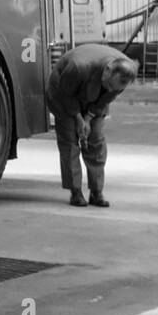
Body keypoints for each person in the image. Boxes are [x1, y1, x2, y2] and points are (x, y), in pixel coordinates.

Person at [45, 43, 138, 209]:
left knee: (96, 140)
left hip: (94, 99)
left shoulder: (124, 75)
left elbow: (106, 98)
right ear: (108, 69)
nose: (110, 88)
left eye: (114, 88)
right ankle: (75, 191)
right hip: (63, 94)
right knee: (70, 141)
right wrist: (78, 118)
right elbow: (66, 94)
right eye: (109, 84)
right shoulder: (78, 66)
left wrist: (88, 118)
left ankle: (96, 191)